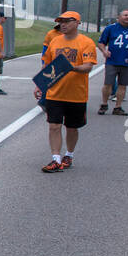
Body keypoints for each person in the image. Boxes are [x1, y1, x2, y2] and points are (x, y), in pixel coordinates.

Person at [34, 10, 97, 173]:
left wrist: (72, 68)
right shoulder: (55, 42)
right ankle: (55, 159)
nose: (63, 24)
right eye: (60, 21)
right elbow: (47, 65)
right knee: (54, 126)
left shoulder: (86, 42)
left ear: (77, 23)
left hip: (76, 94)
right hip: (55, 93)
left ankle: (68, 154)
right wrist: (40, 85)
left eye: (67, 21)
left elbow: (88, 66)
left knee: (71, 128)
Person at [97, 9, 128, 115]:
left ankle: (118, 107)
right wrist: (104, 51)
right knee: (108, 84)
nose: (127, 17)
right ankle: (104, 104)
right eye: (125, 15)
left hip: (127, 62)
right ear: (119, 17)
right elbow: (101, 42)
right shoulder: (110, 28)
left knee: (123, 85)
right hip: (112, 60)